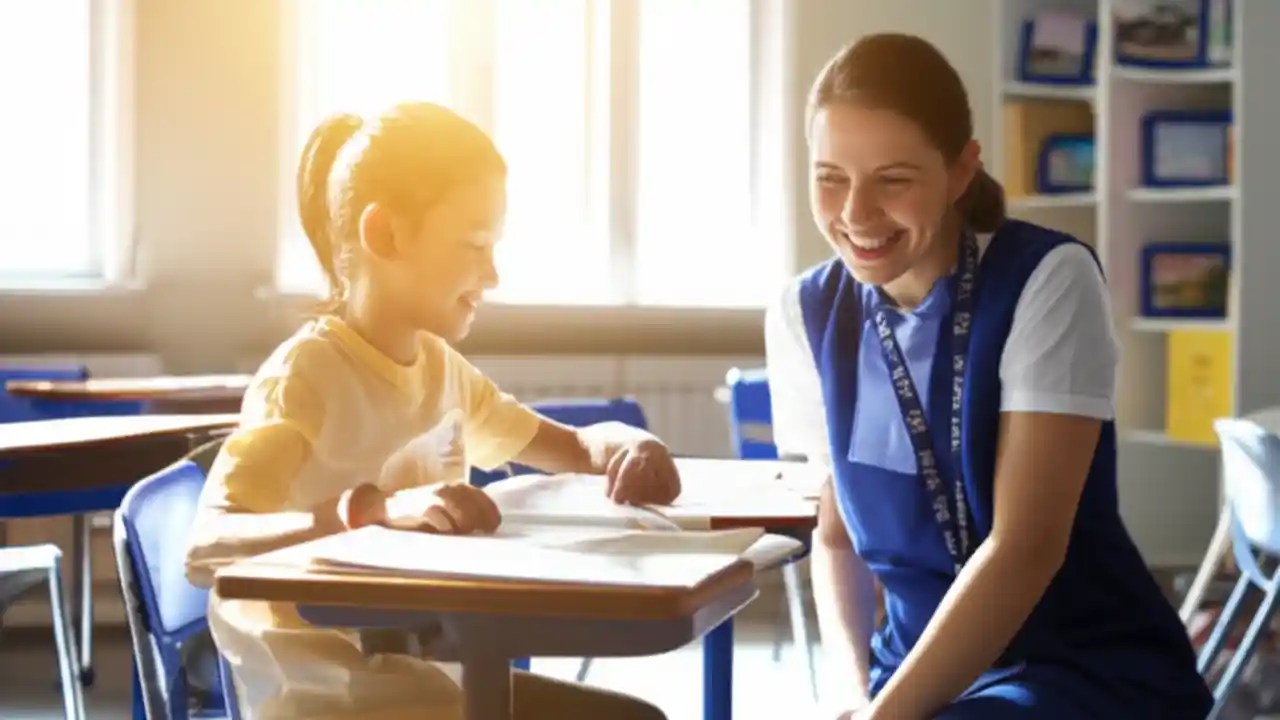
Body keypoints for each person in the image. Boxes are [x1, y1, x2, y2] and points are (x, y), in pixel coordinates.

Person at [765, 34, 1214, 719]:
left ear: (960, 173)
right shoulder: (806, 311)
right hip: (909, 671)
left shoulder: (1048, 280)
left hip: (1067, 665)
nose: (855, 213)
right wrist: (852, 696)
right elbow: (835, 533)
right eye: (830, 177)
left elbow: (1026, 547)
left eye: (893, 180)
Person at [184, 102, 677, 720]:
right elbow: (206, 546)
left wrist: (627, 442)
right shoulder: (304, 376)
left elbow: (574, 449)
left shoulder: (443, 371)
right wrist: (372, 513)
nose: (492, 274)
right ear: (384, 234)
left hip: (434, 691)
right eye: (474, 244)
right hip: (329, 704)